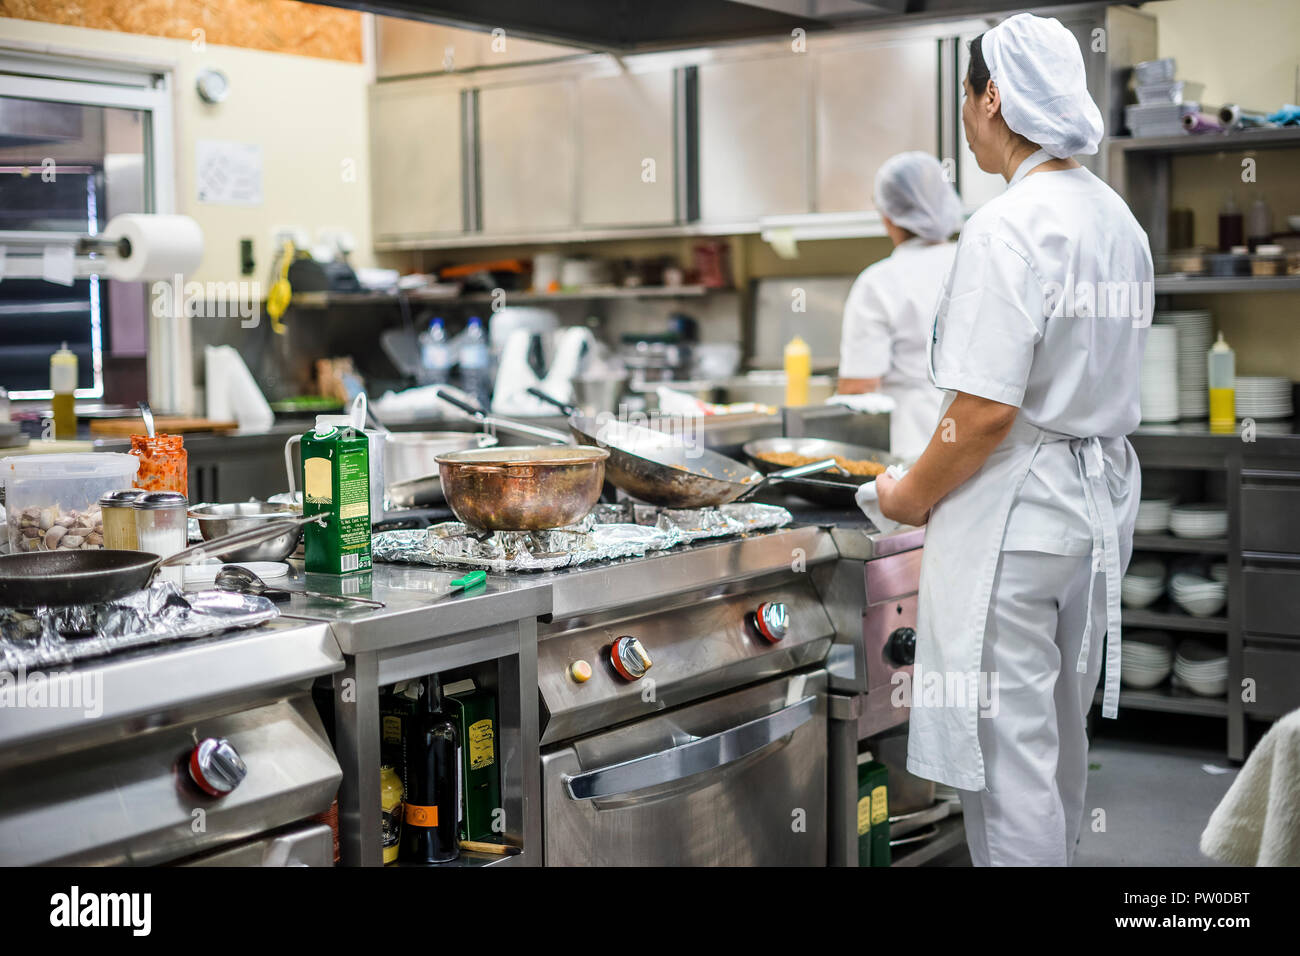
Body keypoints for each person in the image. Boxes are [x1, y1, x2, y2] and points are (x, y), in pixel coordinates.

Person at [874, 12, 1152, 866]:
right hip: (1091, 511)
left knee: (1008, 759)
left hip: (1018, 520)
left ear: (991, 96)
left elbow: (985, 413)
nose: (964, 114)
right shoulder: (1116, 219)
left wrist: (904, 497)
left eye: (967, 95)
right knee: (1056, 736)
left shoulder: (1008, 225)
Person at [838, 152, 964, 460]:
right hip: (979, 447)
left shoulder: (879, 282)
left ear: (887, 216)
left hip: (913, 452)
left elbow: (859, 385)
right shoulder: (977, 263)